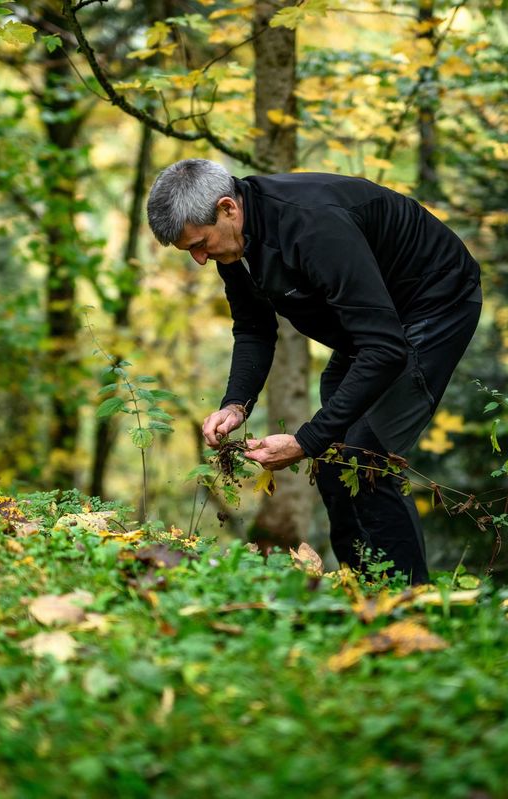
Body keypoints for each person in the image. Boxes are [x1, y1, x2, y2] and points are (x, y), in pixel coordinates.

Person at [146, 158, 482, 585]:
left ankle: (410, 603)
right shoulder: (235, 242)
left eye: (199, 243)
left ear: (228, 207)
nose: (199, 259)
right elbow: (253, 326)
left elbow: (384, 348)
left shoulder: (313, 226)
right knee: (333, 457)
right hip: (373, 320)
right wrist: (236, 403)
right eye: (188, 250)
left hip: (434, 304)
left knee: (364, 458)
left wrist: (305, 440)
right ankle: (358, 586)